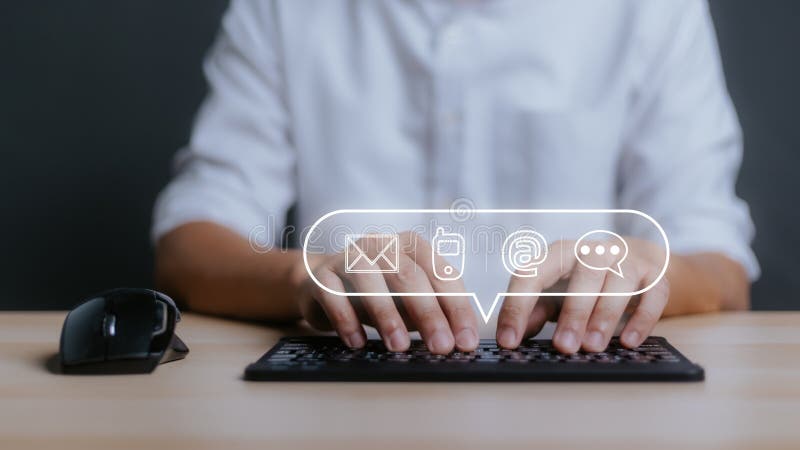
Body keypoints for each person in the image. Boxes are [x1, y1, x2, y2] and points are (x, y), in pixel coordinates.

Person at [152, 0, 758, 355]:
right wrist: (308, 274)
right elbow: (190, 243)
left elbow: (723, 270)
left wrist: (647, 271)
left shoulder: (652, 9)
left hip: (581, 403)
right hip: (346, 396)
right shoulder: (283, 9)